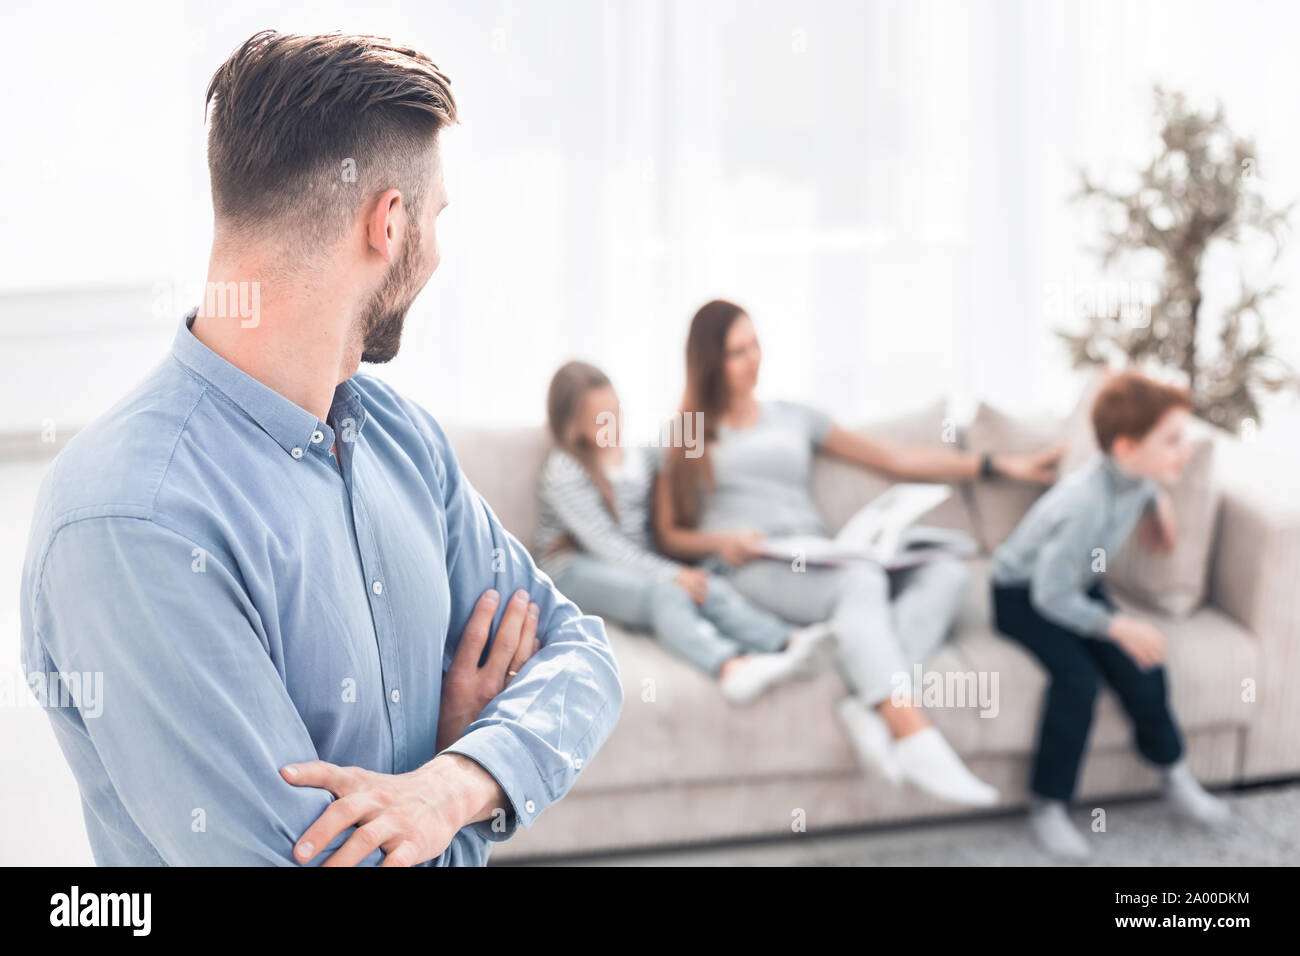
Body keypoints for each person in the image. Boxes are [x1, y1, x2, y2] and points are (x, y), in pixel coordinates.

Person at [18, 30, 622, 867]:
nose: (438, 250)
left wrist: (452, 781)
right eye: (436, 217)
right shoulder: (133, 521)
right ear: (390, 221)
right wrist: (456, 805)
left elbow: (582, 656)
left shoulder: (401, 441)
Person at [654, 299, 1061, 807]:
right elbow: (668, 535)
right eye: (737, 351)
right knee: (861, 585)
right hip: (751, 566)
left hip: (819, 553)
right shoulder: (690, 432)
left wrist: (998, 465)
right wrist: (722, 542)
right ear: (709, 361)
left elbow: (896, 458)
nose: (753, 359)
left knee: (948, 575)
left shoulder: (794, 416)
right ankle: (914, 736)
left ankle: (867, 706)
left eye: (756, 344)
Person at [990, 370, 1230, 859]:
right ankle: (1048, 805)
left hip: (1075, 583)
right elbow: (1049, 597)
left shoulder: (1136, 477)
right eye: (1172, 442)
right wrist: (1114, 624)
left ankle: (1173, 771)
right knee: (1078, 679)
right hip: (1023, 595)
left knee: (1143, 659)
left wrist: (1159, 502)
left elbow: (1141, 486)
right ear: (1126, 449)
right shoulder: (1084, 505)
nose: (1183, 452)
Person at [536, 361, 835, 704]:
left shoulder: (638, 458)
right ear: (575, 427)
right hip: (572, 569)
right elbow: (607, 549)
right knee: (667, 593)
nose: (614, 425)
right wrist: (672, 574)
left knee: (708, 587)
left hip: (631, 567)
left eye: (617, 412)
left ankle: (790, 642)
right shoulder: (565, 470)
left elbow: (676, 448)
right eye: (601, 418)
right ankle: (730, 666)